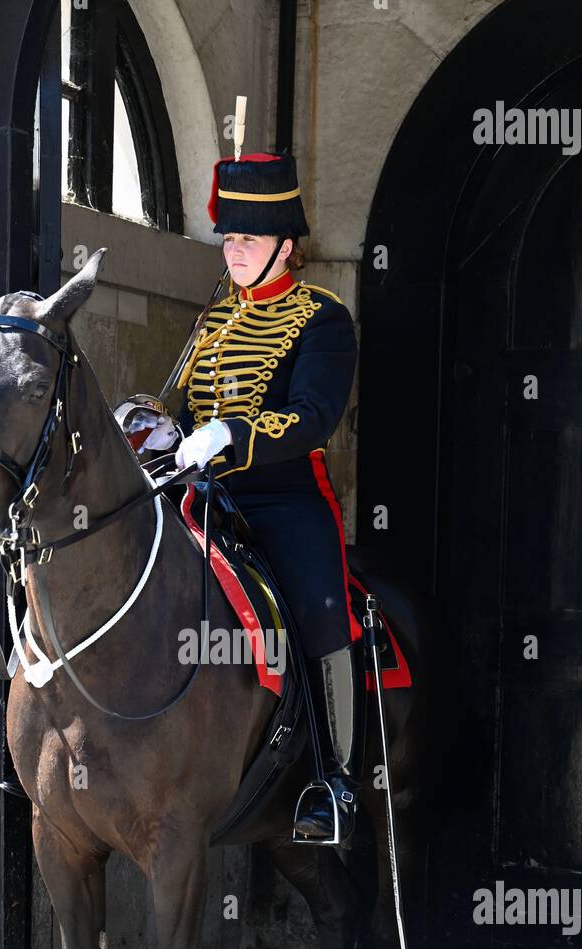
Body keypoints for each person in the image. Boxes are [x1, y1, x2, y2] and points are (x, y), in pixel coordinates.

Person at [173, 152, 366, 845]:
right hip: (203, 495)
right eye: (229, 239)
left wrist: (231, 432)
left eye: (248, 239)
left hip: (282, 498)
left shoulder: (321, 318)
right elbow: (183, 408)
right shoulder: (215, 318)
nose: (235, 251)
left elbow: (314, 417)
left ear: (286, 246)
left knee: (319, 613)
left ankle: (333, 781)